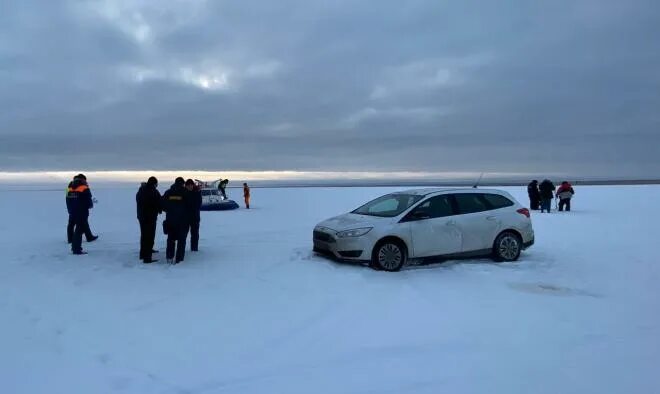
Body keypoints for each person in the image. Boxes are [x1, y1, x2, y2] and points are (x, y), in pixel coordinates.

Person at [162, 177, 189, 264]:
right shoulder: (185, 192)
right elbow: (190, 205)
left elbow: (162, 204)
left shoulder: (168, 192)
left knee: (171, 240)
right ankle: (179, 260)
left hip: (170, 220)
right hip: (182, 221)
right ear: (182, 183)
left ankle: (169, 258)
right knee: (181, 241)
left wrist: (169, 211)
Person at [66, 175, 95, 254]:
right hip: (82, 211)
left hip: (72, 210)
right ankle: (76, 249)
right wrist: (90, 206)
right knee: (79, 229)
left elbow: (68, 199)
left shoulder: (70, 187)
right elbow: (88, 201)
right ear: (83, 179)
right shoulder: (84, 187)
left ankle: (71, 240)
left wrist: (70, 209)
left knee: (72, 225)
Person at [136, 176, 162, 263]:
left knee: (144, 235)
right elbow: (158, 202)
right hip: (150, 217)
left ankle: (143, 253)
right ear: (154, 183)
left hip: (141, 217)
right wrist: (160, 209)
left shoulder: (141, 190)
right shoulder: (153, 191)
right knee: (149, 236)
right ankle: (147, 258)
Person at [185, 179, 202, 252]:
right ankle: (182, 249)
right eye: (188, 185)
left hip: (195, 216)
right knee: (183, 234)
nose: (189, 187)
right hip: (185, 217)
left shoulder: (197, 192)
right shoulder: (183, 193)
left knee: (195, 234)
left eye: (191, 185)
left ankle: (194, 249)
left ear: (193, 185)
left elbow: (199, 204)